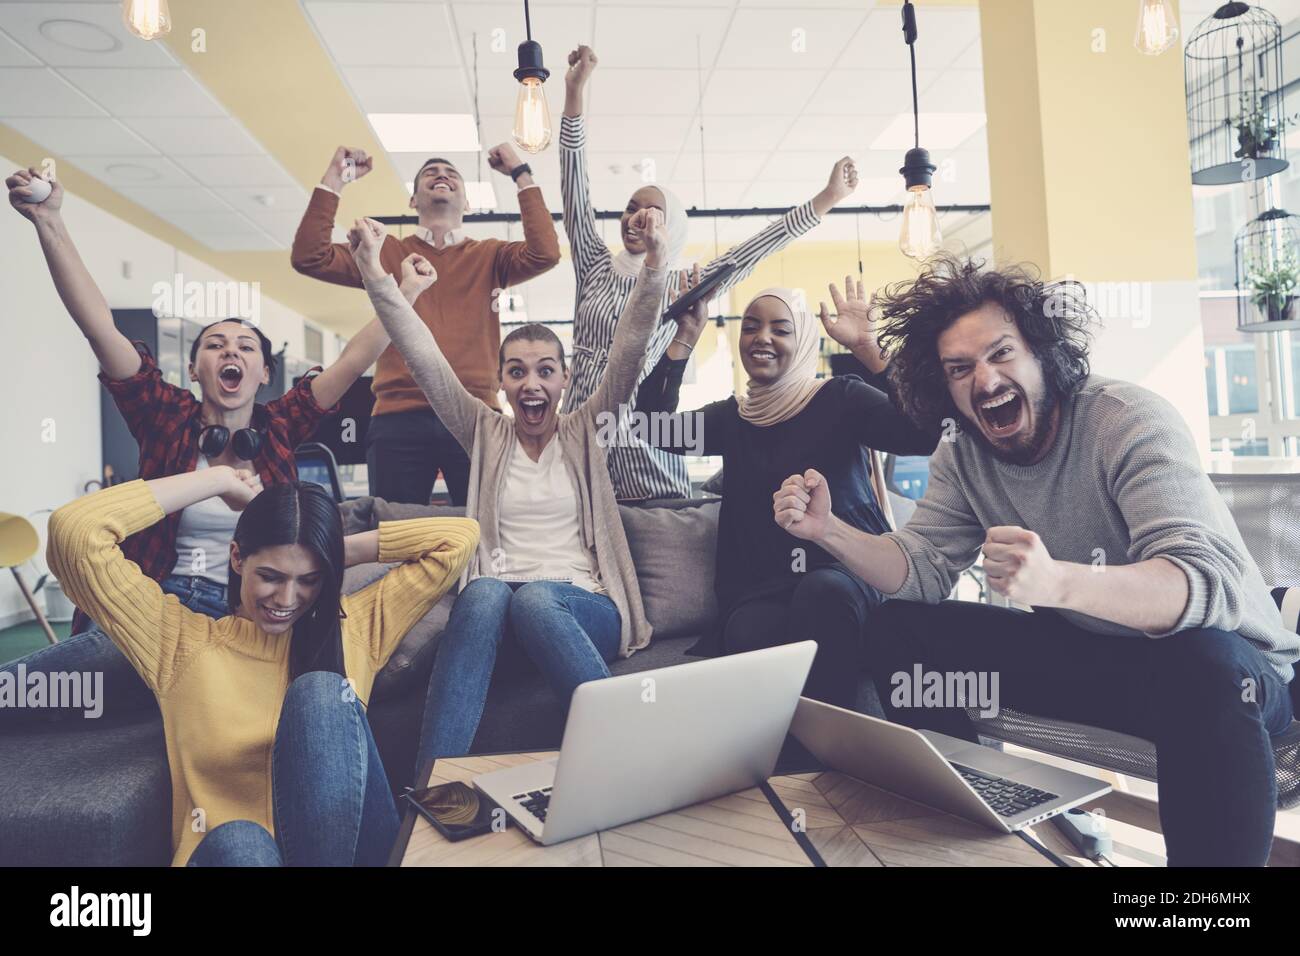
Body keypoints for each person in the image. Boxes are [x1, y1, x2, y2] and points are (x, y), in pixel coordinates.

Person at [772, 254, 1300, 867]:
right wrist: (828, 530)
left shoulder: (1126, 420)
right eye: (960, 368)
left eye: (1001, 354)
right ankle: (979, 826)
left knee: (1202, 661)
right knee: (897, 628)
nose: (985, 379)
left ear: (1043, 353)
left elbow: (1202, 585)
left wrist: (1059, 582)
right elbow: (919, 568)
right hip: (1097, 661)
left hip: (1234, 678)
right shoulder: (963, 450)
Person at [2, 168, 398, 725]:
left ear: (263, 372)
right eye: (215, 345)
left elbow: (354, 361)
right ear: (195, 368)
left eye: (244, 346)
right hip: (152, 603)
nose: (229, 351)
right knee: (35, 689)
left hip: (241, 614)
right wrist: (49, 221)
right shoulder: (163, 412)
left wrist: (394, 288)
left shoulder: (281, 424)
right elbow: (99, 328)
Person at [347, 206, 669, 766]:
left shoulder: (588, 430)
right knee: (488, 590)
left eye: (546, 369)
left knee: (538, 599)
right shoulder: (483, 432)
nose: (531, 382)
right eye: (517, 371)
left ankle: (633, 756)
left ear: (566, 379)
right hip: (499, 619)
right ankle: (436, 787)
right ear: (501, 382)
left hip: (579, 609)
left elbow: (629, 349)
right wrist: (377, 276)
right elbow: (423, 355)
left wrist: (656, 267)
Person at [44, 463, 477, 866]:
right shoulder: (180, 643)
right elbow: (76, 533)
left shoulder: (354, 630)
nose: (287, 600)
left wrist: (335, 549)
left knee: (321, 693)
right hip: (238, 858)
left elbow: (460, 539)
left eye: (308, 580)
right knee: (242, 840)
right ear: (236, 559)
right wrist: (217, 480)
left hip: (349, 854)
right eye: (271, 575)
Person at [560, 44, 860, 500]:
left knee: (655, 545)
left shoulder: (677, 284)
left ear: (672, 227)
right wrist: (574, 92)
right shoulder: (595, 266)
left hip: (643, 441)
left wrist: (825, 200)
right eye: (631, 208)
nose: (637, 217)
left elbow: (750, 253)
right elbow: (574, 186)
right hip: (581, 432)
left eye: (653, 211)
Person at [633, 277, 937, 706]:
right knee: (749, 631)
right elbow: (651, 425)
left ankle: (823, 756)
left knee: (822, 595)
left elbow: (921, 435)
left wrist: (869, 350)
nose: (762, 338)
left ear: (805, 338)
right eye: (752, 326)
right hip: (763, 588)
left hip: (846, 570)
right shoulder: (734, 418)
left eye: (781, 329)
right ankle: (804, 756)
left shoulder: (841, 398)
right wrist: (685, 335)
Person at [292, 142, 561, 506]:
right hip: (398, 417)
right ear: (413, 201)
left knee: (488, 531)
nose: (441, 175)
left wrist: (520, 173)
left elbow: (545, 252)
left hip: (475, 414)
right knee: (395, 536)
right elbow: (310, 257)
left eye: (452, 174)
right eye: (430, 173)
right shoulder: (381, 252)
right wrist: (334, 180)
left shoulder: (491, 255)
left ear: (466, 203)